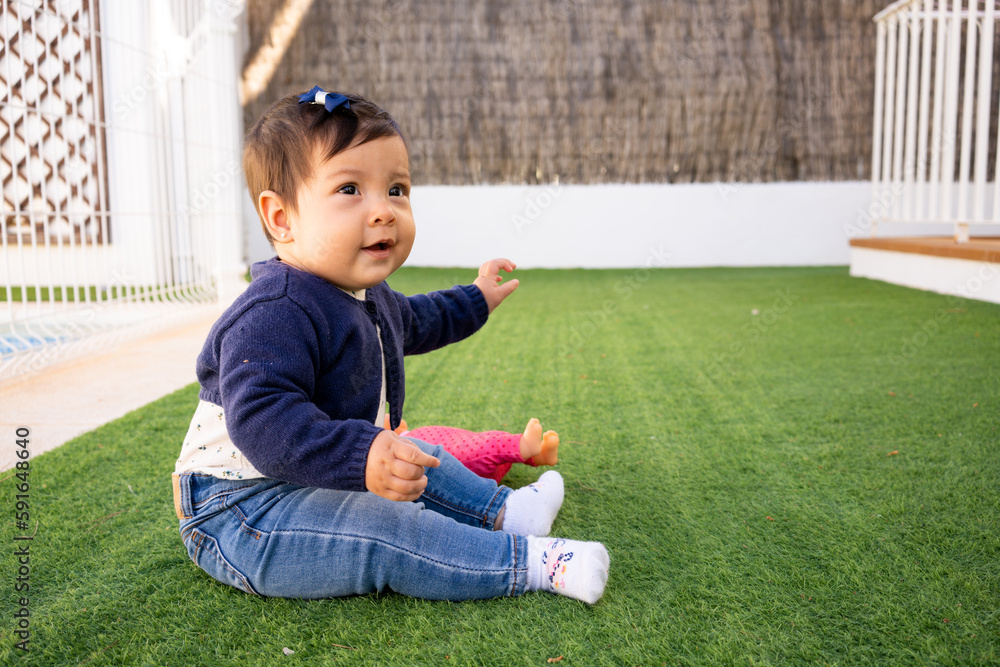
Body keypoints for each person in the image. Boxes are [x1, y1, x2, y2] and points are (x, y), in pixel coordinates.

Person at [171, 86, 609, 603]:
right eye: (350, 189)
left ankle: (510, 514)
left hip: (310, 477)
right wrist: (362, 454)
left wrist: (476, 298)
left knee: (416, 454)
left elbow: (417, 320)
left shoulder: (364, 293)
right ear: (281, 218)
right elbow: (264, 422)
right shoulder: (272, 313)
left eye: (396, 189)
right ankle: (539, 564)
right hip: (241, 510)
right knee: (384, 524)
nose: (383, 211)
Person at [388, 417, 560, 483]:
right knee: (487, 445)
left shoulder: (409, 433)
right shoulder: (400, 444)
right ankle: (527, 446)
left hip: (483, 471)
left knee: (496, 449)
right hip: (464, 462)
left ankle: (539, 455)